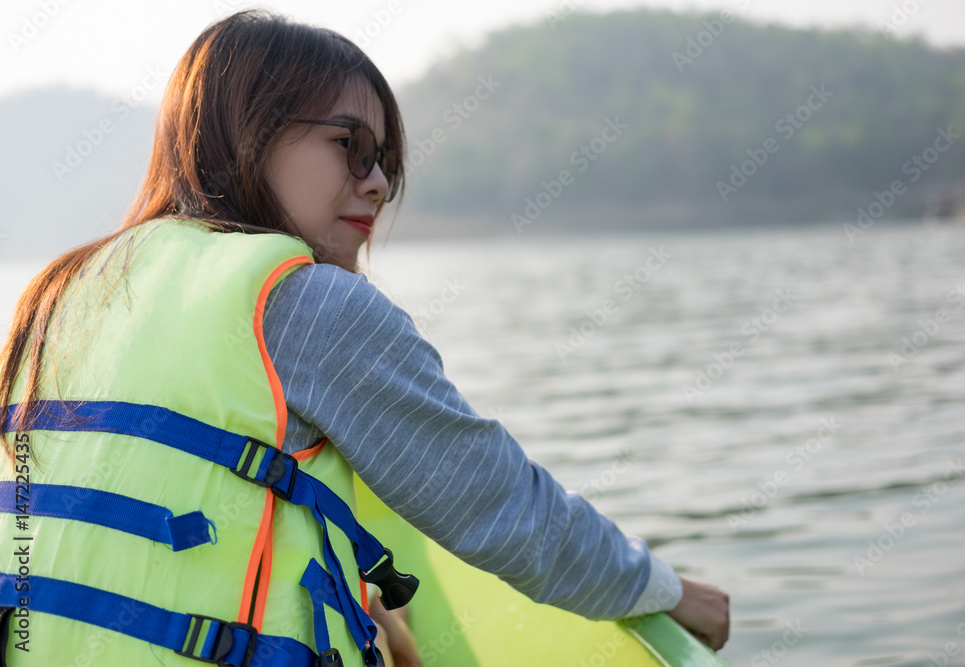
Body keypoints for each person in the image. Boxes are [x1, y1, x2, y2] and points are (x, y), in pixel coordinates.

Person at [0, 9, 729, 666]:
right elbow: (500, 506)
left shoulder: (57, 293)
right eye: (350, 146)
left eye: (386, 160)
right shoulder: (308, 302)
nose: (378, 182)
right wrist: (665, 592)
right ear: (249, 131)